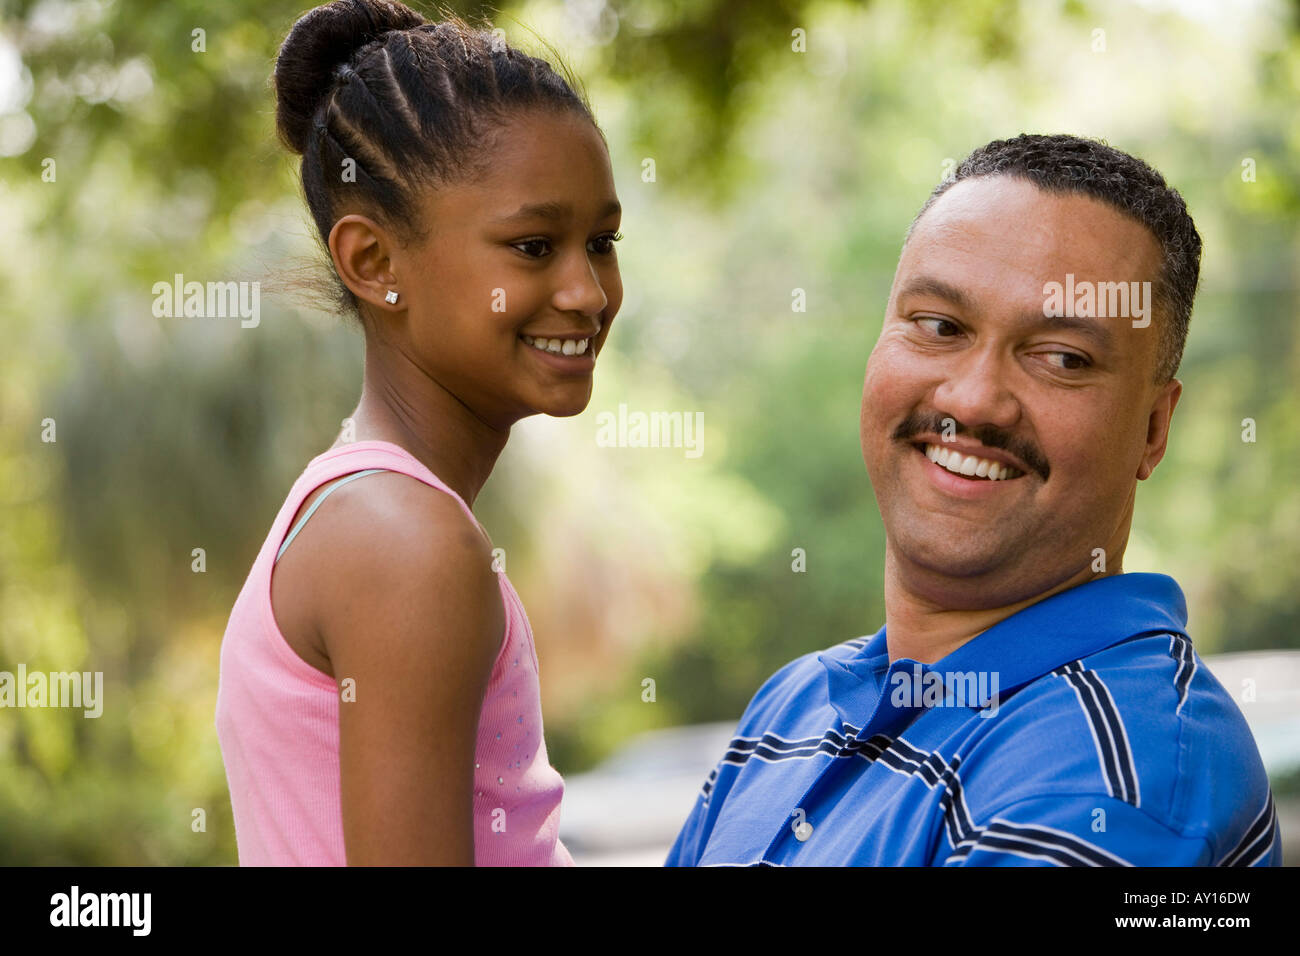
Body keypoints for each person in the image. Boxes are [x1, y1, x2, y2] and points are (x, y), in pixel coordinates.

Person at [666, 134, 1280, 867]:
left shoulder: (1114, 780)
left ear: (1153, 430)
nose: (974, 400)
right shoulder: (792, 706)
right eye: (940, 327)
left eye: (1062, 358)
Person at [214, 0, 622, 865]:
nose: (587, 291)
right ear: (374, 262)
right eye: (534, 245)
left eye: (602, 241)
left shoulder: (369, 512)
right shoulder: (408, 544)